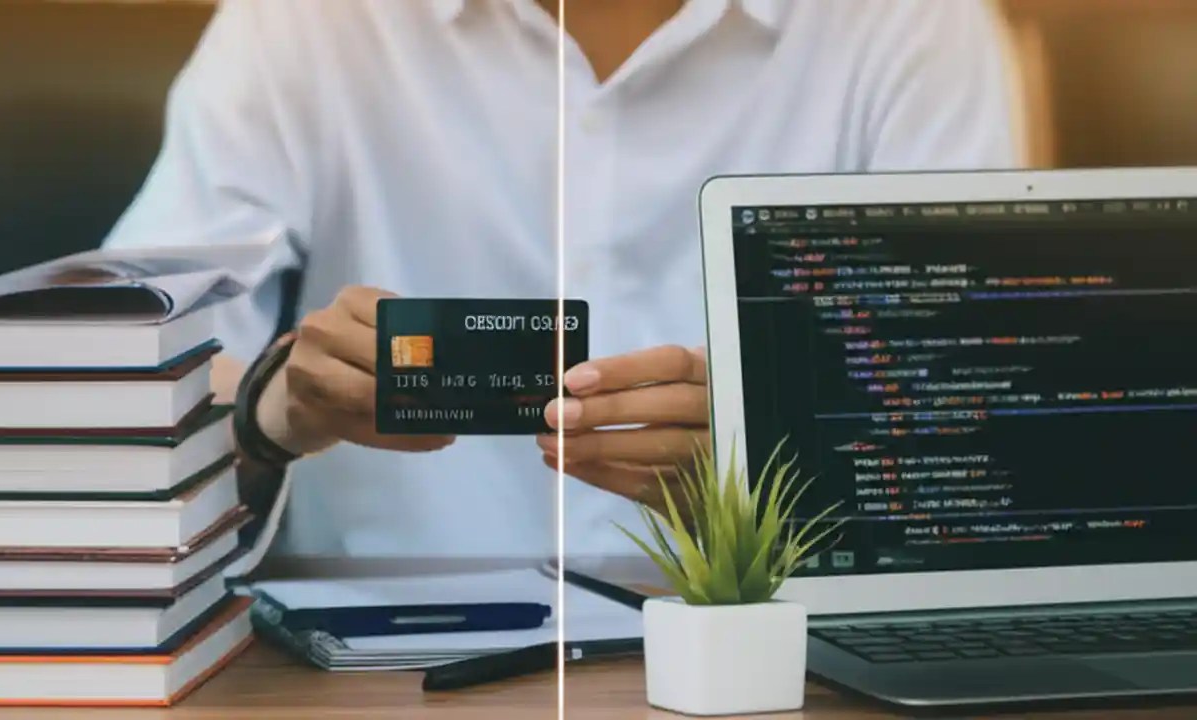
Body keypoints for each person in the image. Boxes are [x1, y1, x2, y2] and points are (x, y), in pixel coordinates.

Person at [103, 0, 1020, 560]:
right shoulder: (305, 18)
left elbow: (969, 418)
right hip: (372, 660)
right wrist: (274, 407)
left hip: (761, 651)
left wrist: (774, 463)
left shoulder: (909, 19)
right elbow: (131, 366)